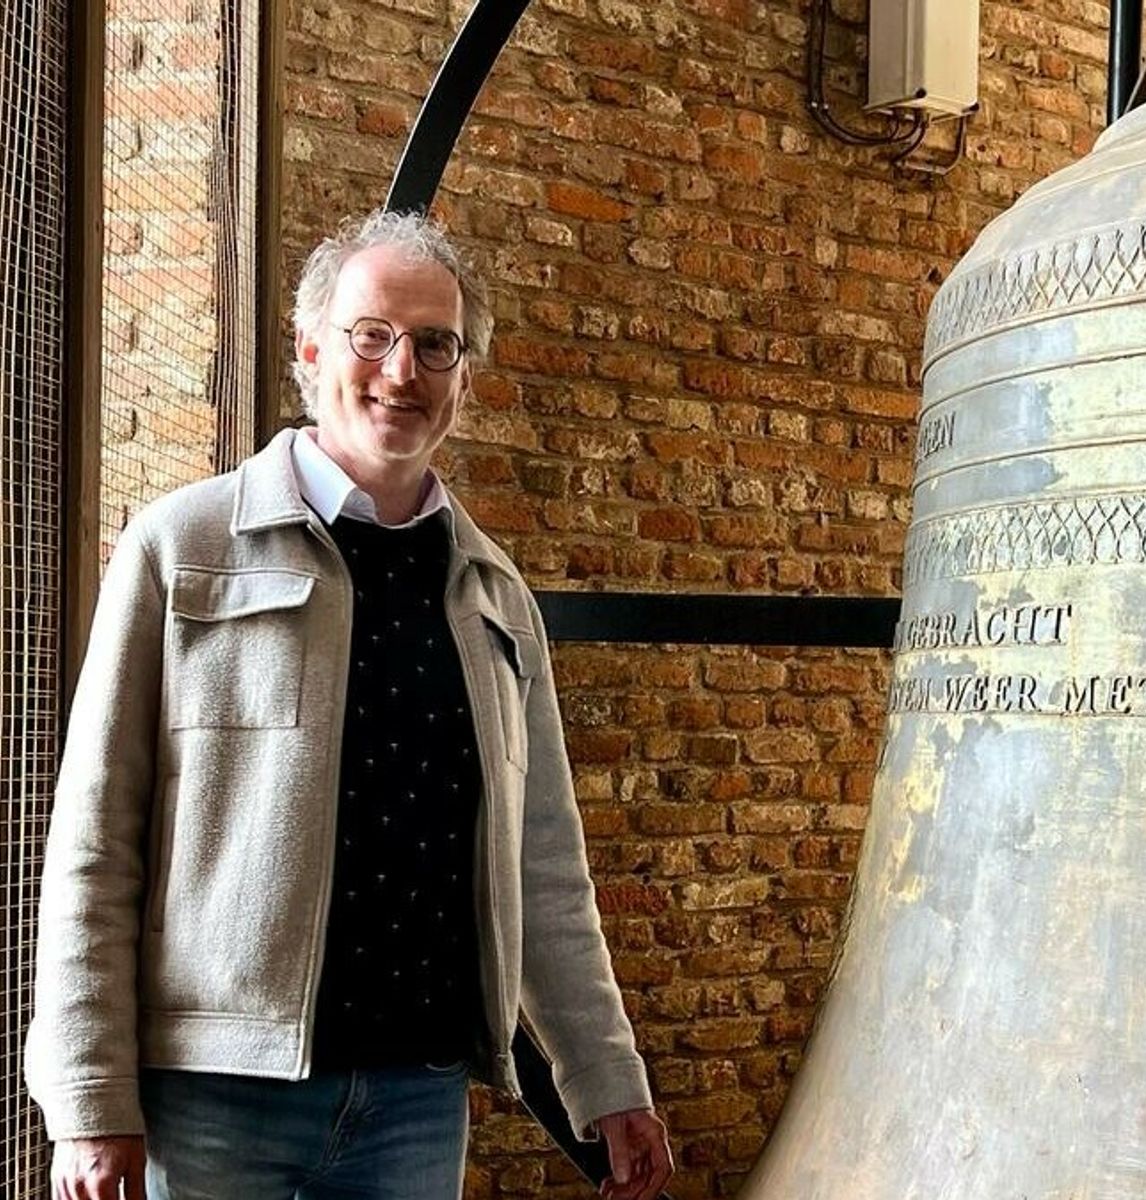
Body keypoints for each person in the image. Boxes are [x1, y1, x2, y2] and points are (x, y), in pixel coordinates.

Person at [26, 209, 673, 1200]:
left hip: (416, 1103)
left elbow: (544, 866)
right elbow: (96, 840)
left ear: (463, 371)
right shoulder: (181, 547)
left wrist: (606, 1078)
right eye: (372, 335)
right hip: (213, 1100)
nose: (401, 371)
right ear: (311, 346)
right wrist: (86, 1094)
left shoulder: (494, 595)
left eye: (435, 344)